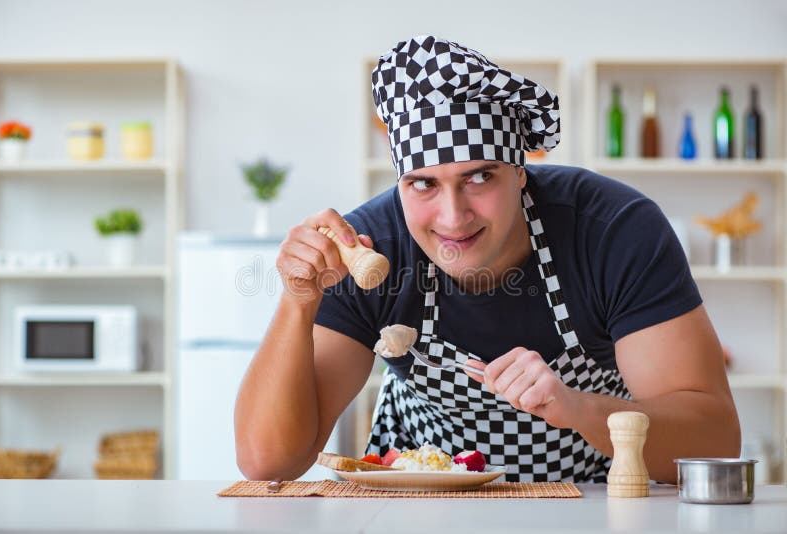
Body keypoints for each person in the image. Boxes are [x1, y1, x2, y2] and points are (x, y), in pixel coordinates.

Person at [234, 35, 740, 483]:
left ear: (520, 172)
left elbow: (715, 439)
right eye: (424, 184)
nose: (453, 218)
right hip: (415, 504)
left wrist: (577, 407)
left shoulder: (614, 231)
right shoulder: (369, 246)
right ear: (400, 184)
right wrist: (297, 304)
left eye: (479, 178)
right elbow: (268, 461)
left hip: (590, 503)